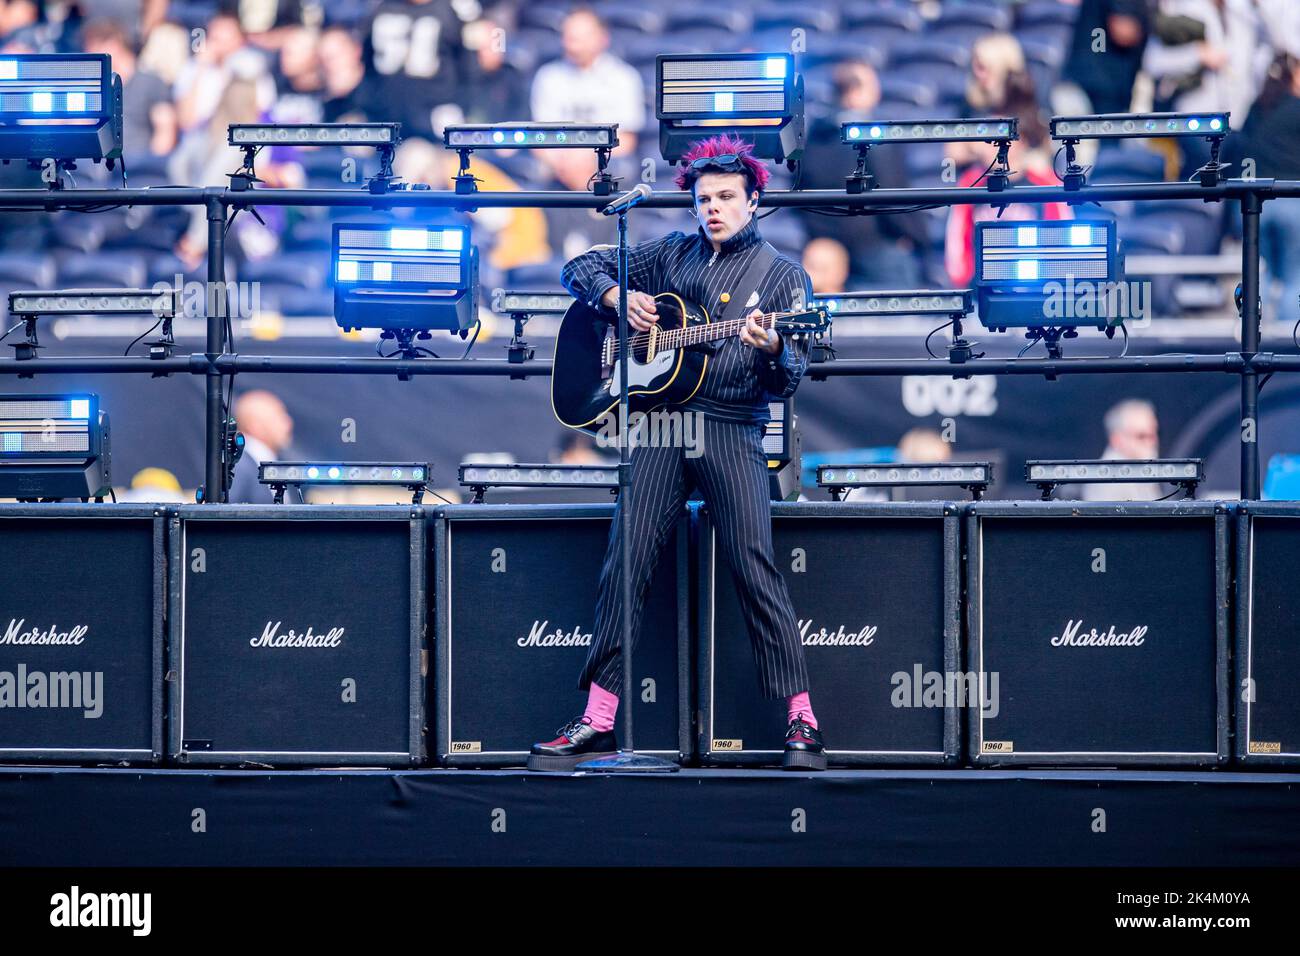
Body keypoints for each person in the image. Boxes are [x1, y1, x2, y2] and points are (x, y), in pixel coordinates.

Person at [530, 134, 826, 772]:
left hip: (730, 428)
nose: (714, 207)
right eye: (704, 198)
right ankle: (598, 721)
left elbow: (788, 379)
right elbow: (578, 267)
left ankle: (801, 718)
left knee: (753, 564)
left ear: (753, 202)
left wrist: (774, 347)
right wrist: (617, 298)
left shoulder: (783, 277)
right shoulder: (668, 254)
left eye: (726, 197)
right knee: (624, 563)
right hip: (659, 427)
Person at [528, 6, 644, 156]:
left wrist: (588, 157)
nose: (574, 46)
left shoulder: (624, 77)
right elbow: (540, 138)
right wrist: (566, 161)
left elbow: (627, 140)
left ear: (603, 38)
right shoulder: (548, 77)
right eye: (569, 37)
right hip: (559, 162)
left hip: (605, 161)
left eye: (582, 38)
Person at [1080, 399, 1164, 500]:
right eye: (1141, 436)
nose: (1152, 442)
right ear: (1117, 440)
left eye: (1155, 433)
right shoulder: (1107, 480)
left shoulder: (1141, 470)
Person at [228, 390, 296, 504]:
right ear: (255, 426)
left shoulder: (268, 462)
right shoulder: (238, 466)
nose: (289, 423)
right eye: (279, 416)